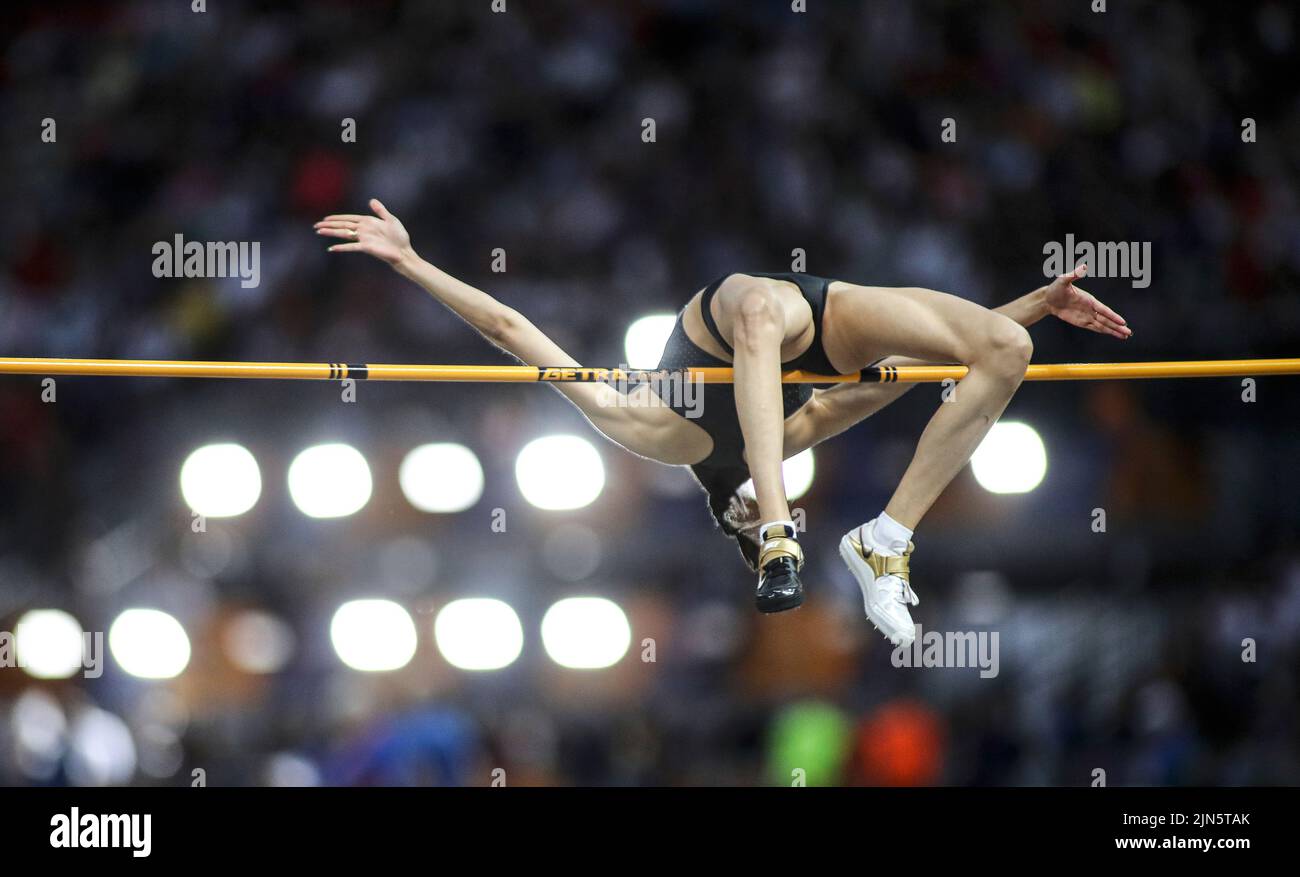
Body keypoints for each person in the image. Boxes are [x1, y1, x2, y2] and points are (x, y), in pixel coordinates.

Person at [316, 200, 1131, 646]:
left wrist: (413, 263)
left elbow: (514, 333)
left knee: (775, 326)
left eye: (757, 524)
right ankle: (888, 537)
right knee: (1008, 342)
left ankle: (819, 540)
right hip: (812, 315)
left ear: (732, 517)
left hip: (753, 313)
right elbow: (903, 382)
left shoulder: (655, 435)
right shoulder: (798, 437)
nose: (755, 509)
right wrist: (1040, 300)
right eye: (777, 521)